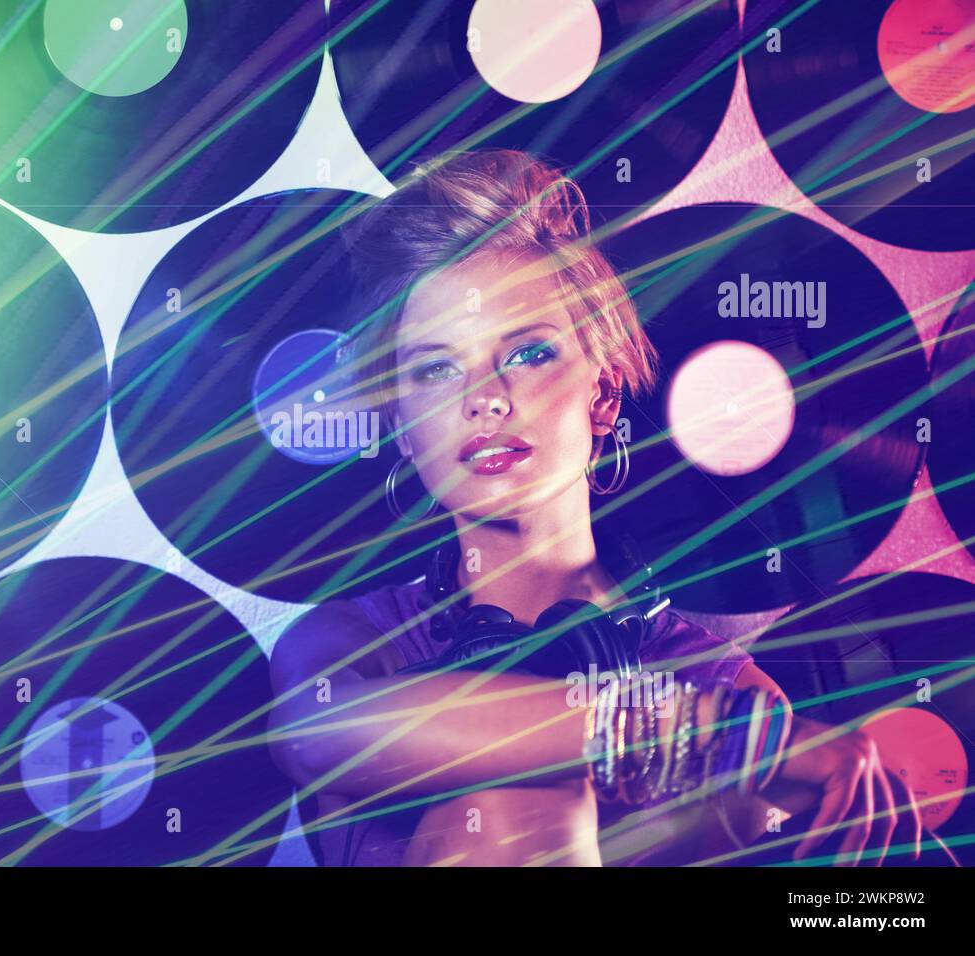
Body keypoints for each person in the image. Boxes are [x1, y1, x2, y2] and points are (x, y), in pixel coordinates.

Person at [266, 149, 926, 867]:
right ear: (401, 424)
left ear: (604, 395)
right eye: (436, 367)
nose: (483, 397)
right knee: (516, 795)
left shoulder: (721, 683)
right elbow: (314, 734)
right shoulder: (351, 642)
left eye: (527, 354)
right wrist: (691, 730)